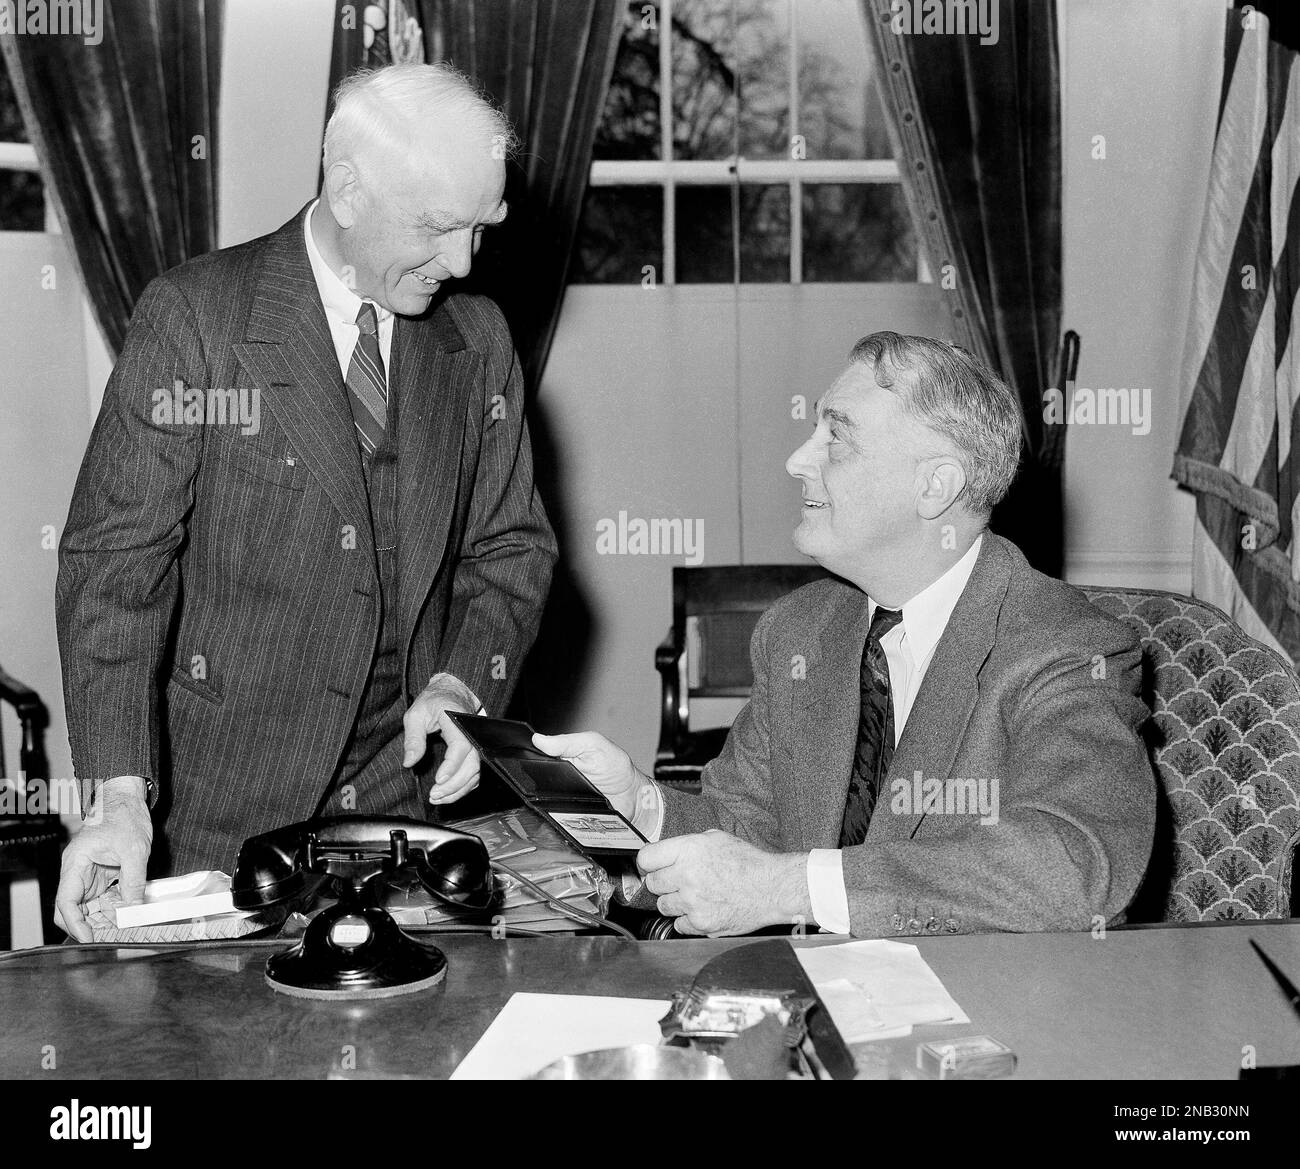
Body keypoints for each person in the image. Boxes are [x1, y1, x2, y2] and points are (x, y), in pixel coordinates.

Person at [54, 64, 556, 940]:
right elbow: (113, 571)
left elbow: (513, 548)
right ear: (349, 188)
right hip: (221, 838)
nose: (465, 261)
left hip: (412, 842)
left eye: (483, 227)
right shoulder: (196, 320)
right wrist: (118, 794)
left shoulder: (478, 342)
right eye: (439, 227)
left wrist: (464, 679)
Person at [536, 331, 1156, 938]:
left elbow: (1076, 867)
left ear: (934, 486)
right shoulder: (800, 631)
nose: (796, 461)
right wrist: (638, 804)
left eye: (836, 438)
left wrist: (786, 889)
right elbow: (747, 827)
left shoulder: (1067, 647)